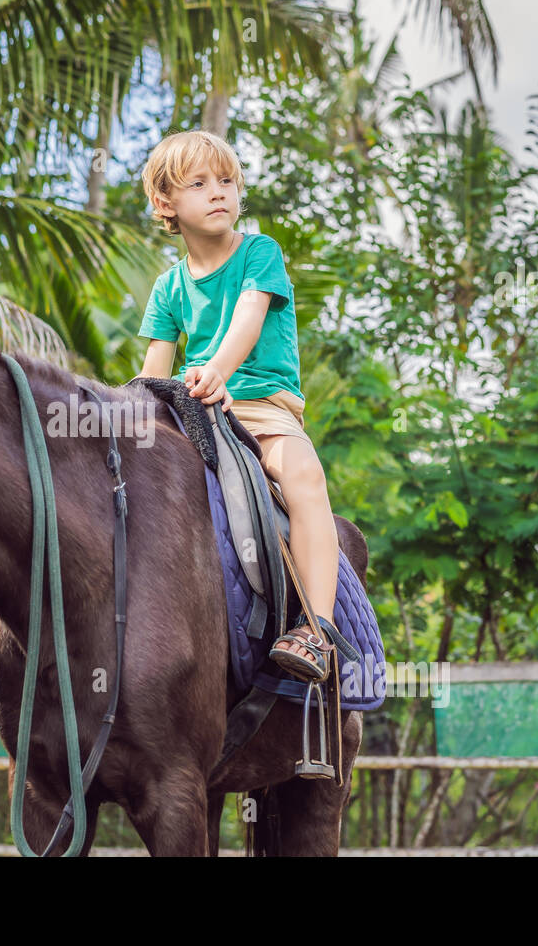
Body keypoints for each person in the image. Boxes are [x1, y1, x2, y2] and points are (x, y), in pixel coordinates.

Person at [134, 130, 340, 682]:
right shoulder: (168, 287)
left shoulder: (259, 252)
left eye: (227, 181)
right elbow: (156, 369)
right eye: (198, 183)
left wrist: (216, 373)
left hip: (260, 406)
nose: (218, 192)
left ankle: (318, 631)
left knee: (302, 476)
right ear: (165, 203)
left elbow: (248, 318)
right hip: (196, 408)